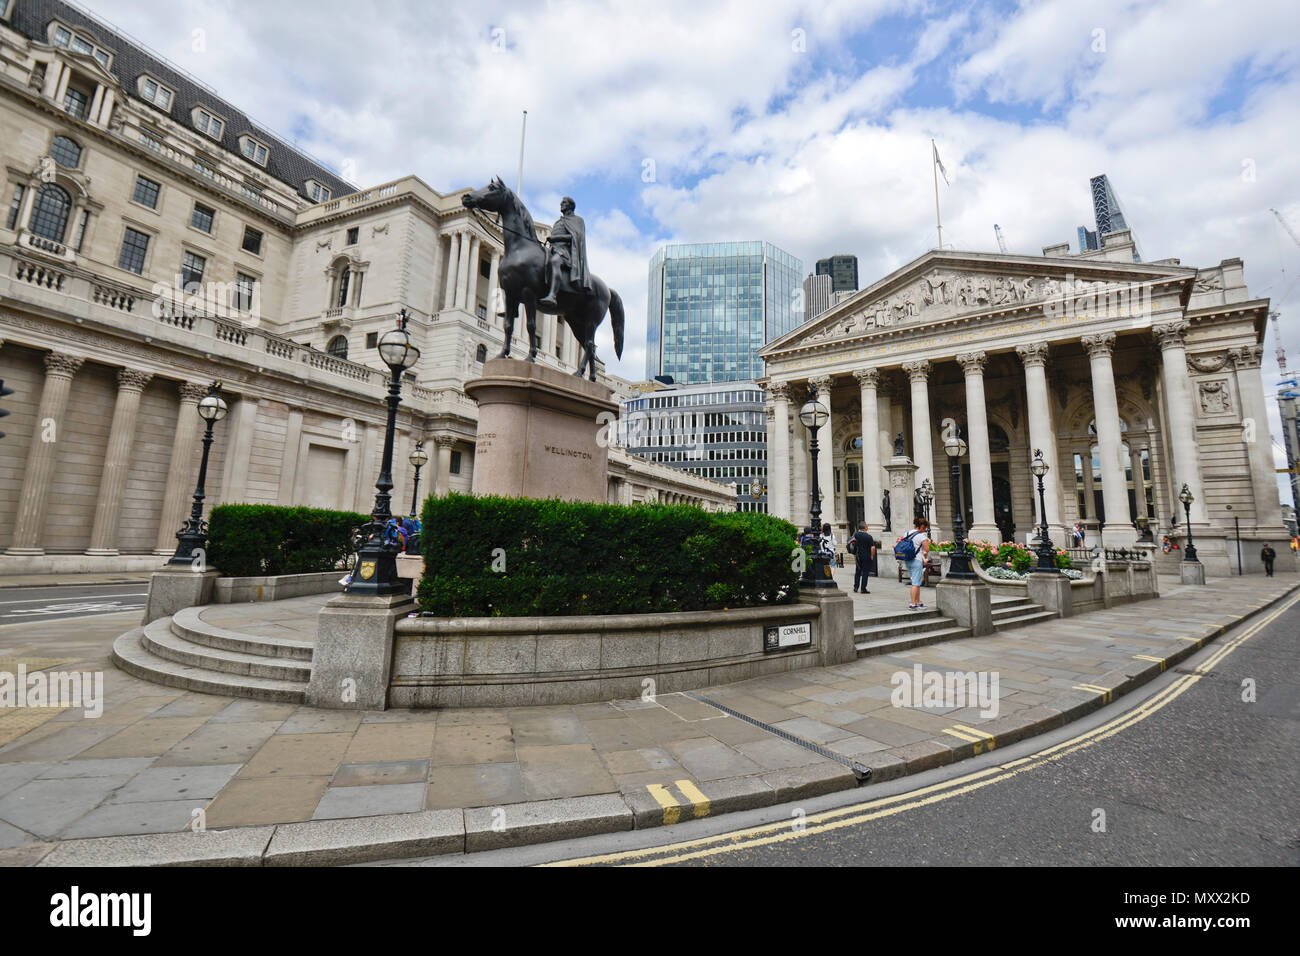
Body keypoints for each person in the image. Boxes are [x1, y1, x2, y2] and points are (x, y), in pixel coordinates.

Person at [537, 196, 592, 308]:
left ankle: (552, 295)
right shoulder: (558, 221)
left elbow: (575, 237)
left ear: (570, 206)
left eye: (564, 203)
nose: (561, 205)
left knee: (555, 262)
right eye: (561, 203)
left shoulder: (578, 220)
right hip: (552, 249)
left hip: (565, 252)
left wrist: (556, 238)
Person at [899, 517, 931, 610]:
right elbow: (927, 549)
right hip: (916, 560)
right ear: (921, 526)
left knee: (916, 581)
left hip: (908, 559)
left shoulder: (907, 533)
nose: (924, 530)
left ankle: (918, 602)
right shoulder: (921, 536)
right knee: (916, 583)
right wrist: (927, 542)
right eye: (924, 528)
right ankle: (913, 604)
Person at [849, 521, 876, 594]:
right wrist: (872, 555)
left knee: (857, 571)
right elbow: (872, 548)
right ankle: (863, 588)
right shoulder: (869, 537)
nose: (868, 527)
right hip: (866, 556)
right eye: (867, 526)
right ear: (865, 527)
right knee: (865, 572)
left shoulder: (856, 535)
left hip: (858, 555)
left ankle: (856, 587)